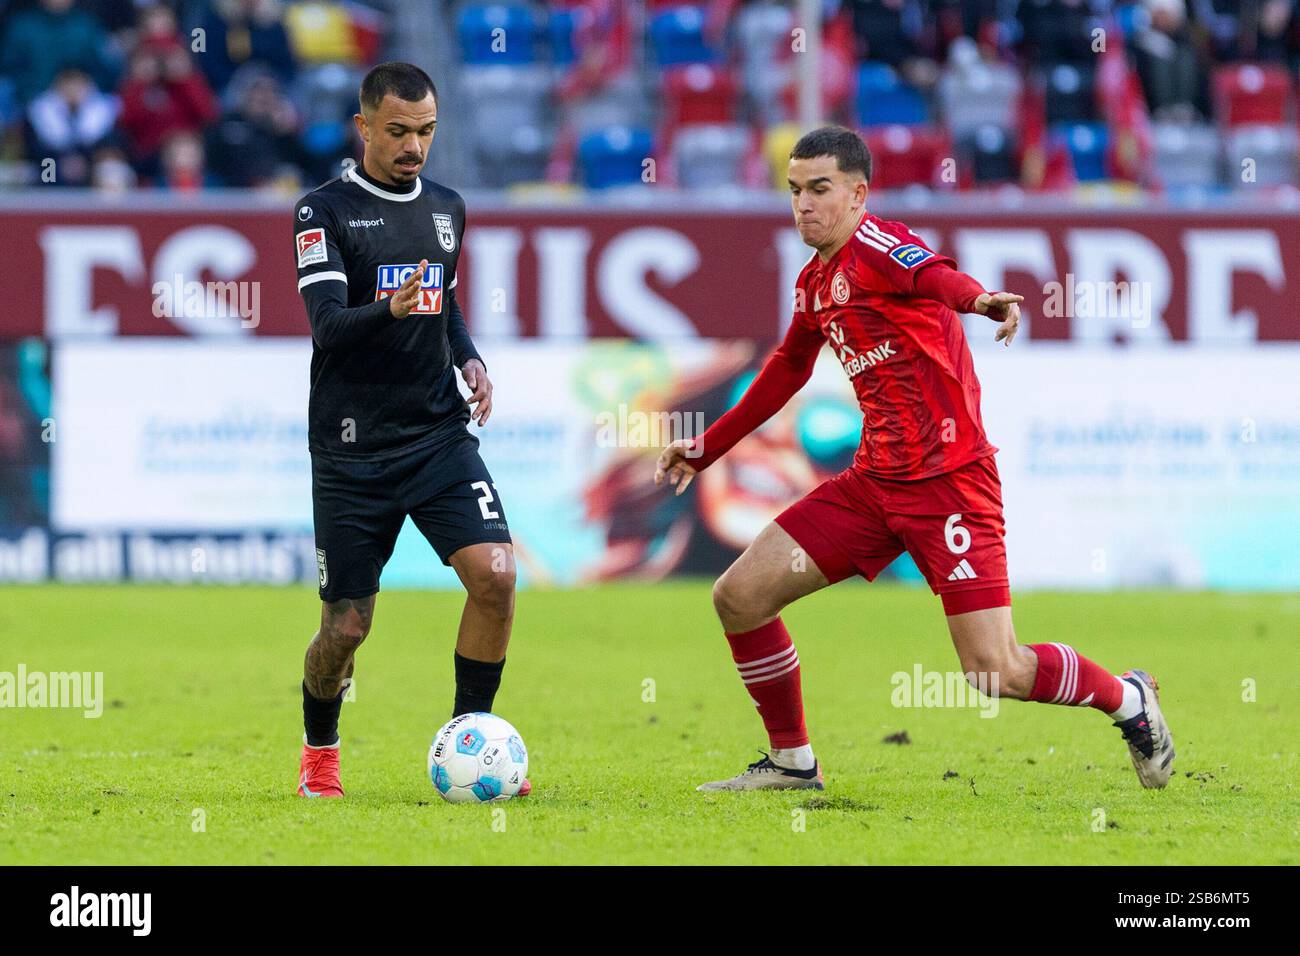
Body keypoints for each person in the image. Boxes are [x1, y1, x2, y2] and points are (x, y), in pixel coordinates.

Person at [655, 125, 1175, 792]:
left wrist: (980, 300)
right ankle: (792, 765)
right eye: (793, 192)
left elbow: (933, 275)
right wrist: (706, 448)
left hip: (950, 485)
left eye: (820, 190)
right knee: (740, 596)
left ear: (857, 194)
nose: (803, 206)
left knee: (996, 670)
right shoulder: (817, 281)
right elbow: (786, 369)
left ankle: (1129, 699)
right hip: (872, 488)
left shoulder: (876, 245)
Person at [291, 62, 522, 798]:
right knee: (347, 629)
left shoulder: (449, 207)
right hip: (351, 451)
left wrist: (471, 357)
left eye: (425, 132)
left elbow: (443, 303)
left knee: (496, 576)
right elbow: (328, 328)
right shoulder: (321, 211)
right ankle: (320, 752)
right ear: (364, 127)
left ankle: (471, 741)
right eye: (397, 132)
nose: (413, 147)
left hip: (437, 437)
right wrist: (393, 310)